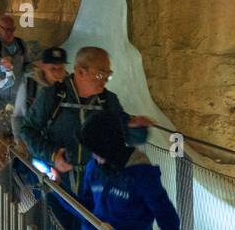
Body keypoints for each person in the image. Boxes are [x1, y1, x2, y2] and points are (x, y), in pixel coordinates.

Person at [19, 45, 151, 193]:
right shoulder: (52, 96)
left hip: (96, 184)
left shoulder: (108, 101)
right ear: (80, 72)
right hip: (59, 182)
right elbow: (27, 130)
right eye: (101, 75)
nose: (105, 80)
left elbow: (125, 135)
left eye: (109, 75)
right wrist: (52, 155)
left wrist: (136, 129)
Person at [10, 45, 67, 141]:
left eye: (60, 68)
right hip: (35, 142)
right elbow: (18, 116)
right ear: (43, 66)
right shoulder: (29, 86)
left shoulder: (70, 87)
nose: (57, 73)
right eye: (53, 68)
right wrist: (19, 142)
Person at [0, 13, 29, 81]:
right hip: (1, 85)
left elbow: (27, 63)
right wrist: (1, 61)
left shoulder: (21, 43)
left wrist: (32, 71)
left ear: (14, 28)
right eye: (5, 29)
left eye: (11, 29)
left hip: (18, 85)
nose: (9, 33)